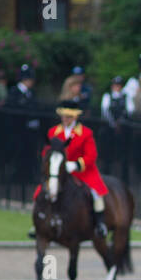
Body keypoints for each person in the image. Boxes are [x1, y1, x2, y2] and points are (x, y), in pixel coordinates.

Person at [43, 97, 109, 238]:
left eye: (69, 117)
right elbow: (47, 152)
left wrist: (76, 164)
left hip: (82, 172)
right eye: (64, 116)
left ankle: (100, 224)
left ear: (74, 117)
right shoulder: (53, 132)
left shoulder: (86, 133)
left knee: (96, 194)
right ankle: (40, 222)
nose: (65, 119)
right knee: (43, 191)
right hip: (60, 171)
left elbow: (91, 155)